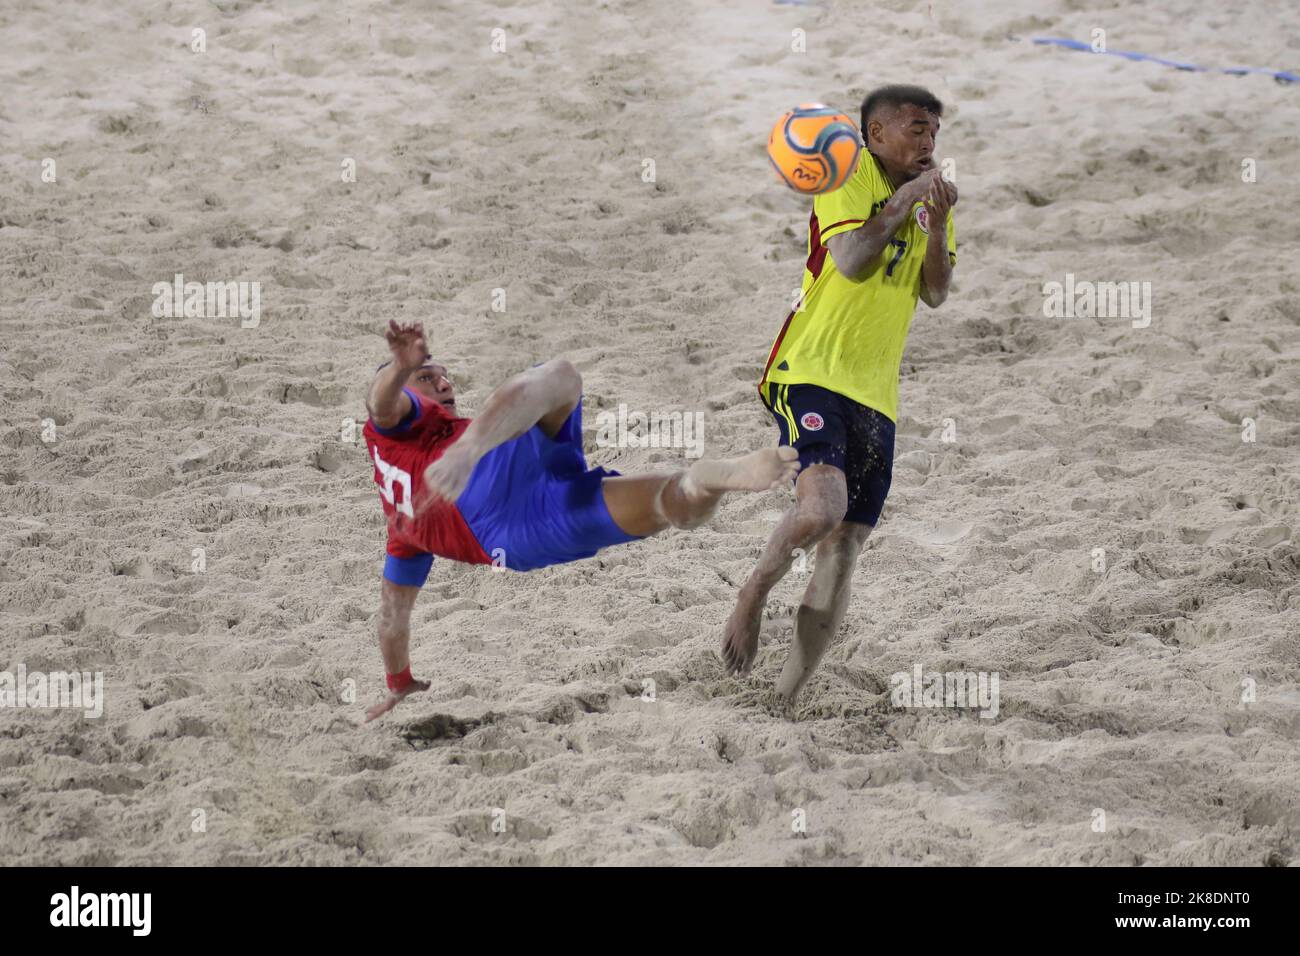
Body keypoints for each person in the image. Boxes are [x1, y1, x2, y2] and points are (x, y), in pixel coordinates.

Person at [362, 319, 800, 720]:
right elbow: (381, 403)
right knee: (560, 374)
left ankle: (704, 483)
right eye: (427, 376)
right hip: (495, 499)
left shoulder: (403, 534)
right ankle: (699, 481)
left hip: (519, 520)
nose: (442, 380)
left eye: (441, 373)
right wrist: (400, 368)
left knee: (668, 506)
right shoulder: (395, 428)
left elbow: (393, 618)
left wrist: (398, 683)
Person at [722, 84, 959, 703]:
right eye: (916, 128)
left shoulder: (934, 197)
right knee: (822, 507)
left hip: (877, 395)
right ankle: (754, 591)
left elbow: (934, 292)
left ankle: (787, 697)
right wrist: (906, 202)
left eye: (934, 129)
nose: (929, 140)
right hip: (812, 369)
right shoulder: (846, 177)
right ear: (875, 134)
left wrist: (935, 227)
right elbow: (853, 260)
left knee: (843, 547)